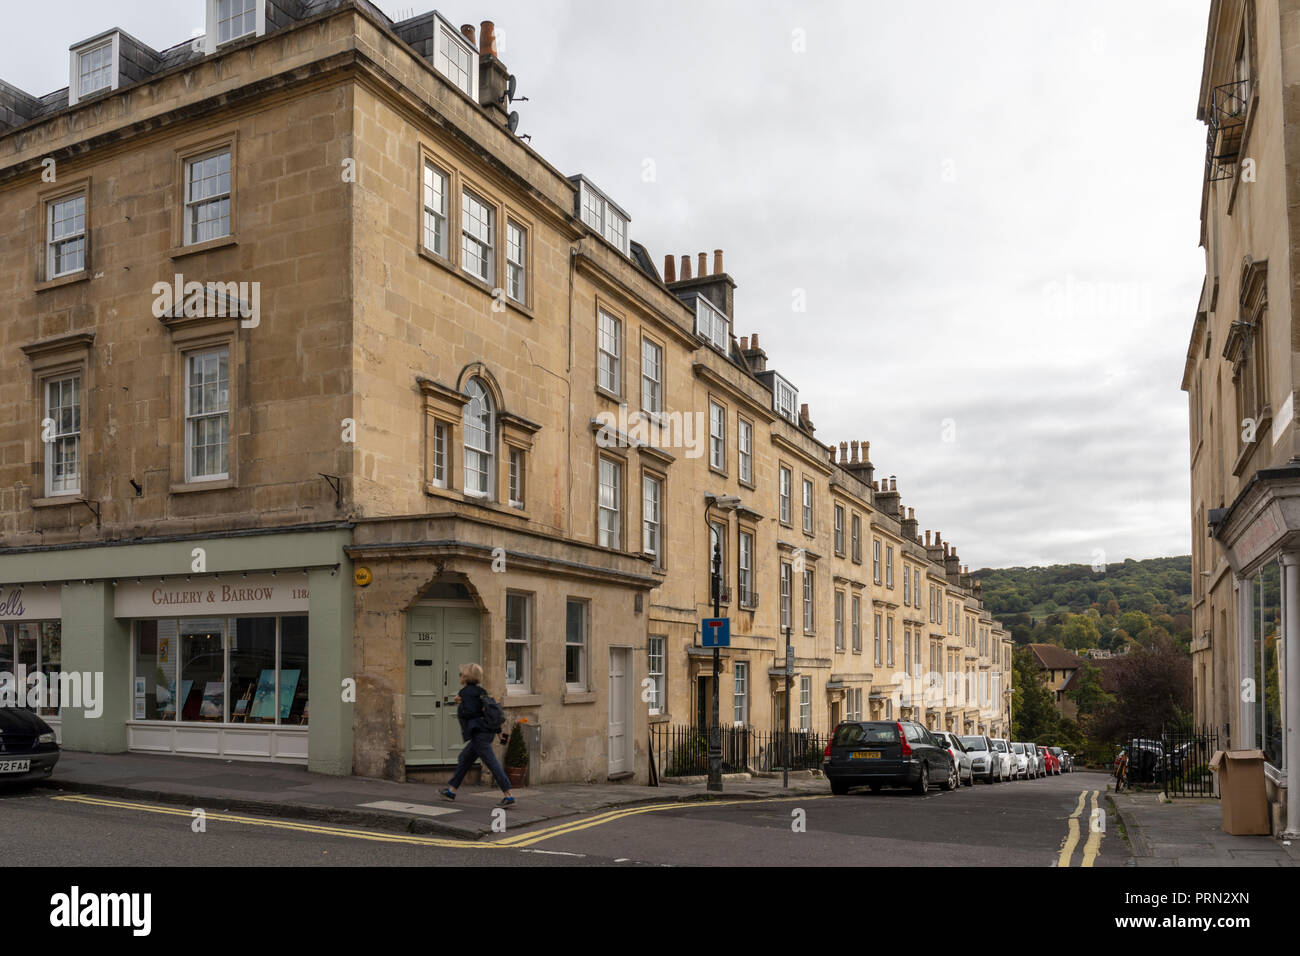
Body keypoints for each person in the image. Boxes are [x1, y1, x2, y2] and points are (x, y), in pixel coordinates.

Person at [440, 662, 515, 807]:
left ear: (467, 677)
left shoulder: (465, 693)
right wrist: (499, 734)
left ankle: (508, 794)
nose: (459, 677)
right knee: (464, 758)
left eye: (461, 674)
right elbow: (489, 714)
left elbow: (470, 713)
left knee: (491, 763)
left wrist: (460, 704)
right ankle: (451, 790)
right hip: (487, 732)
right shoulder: (482, 691)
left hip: (479, 734)